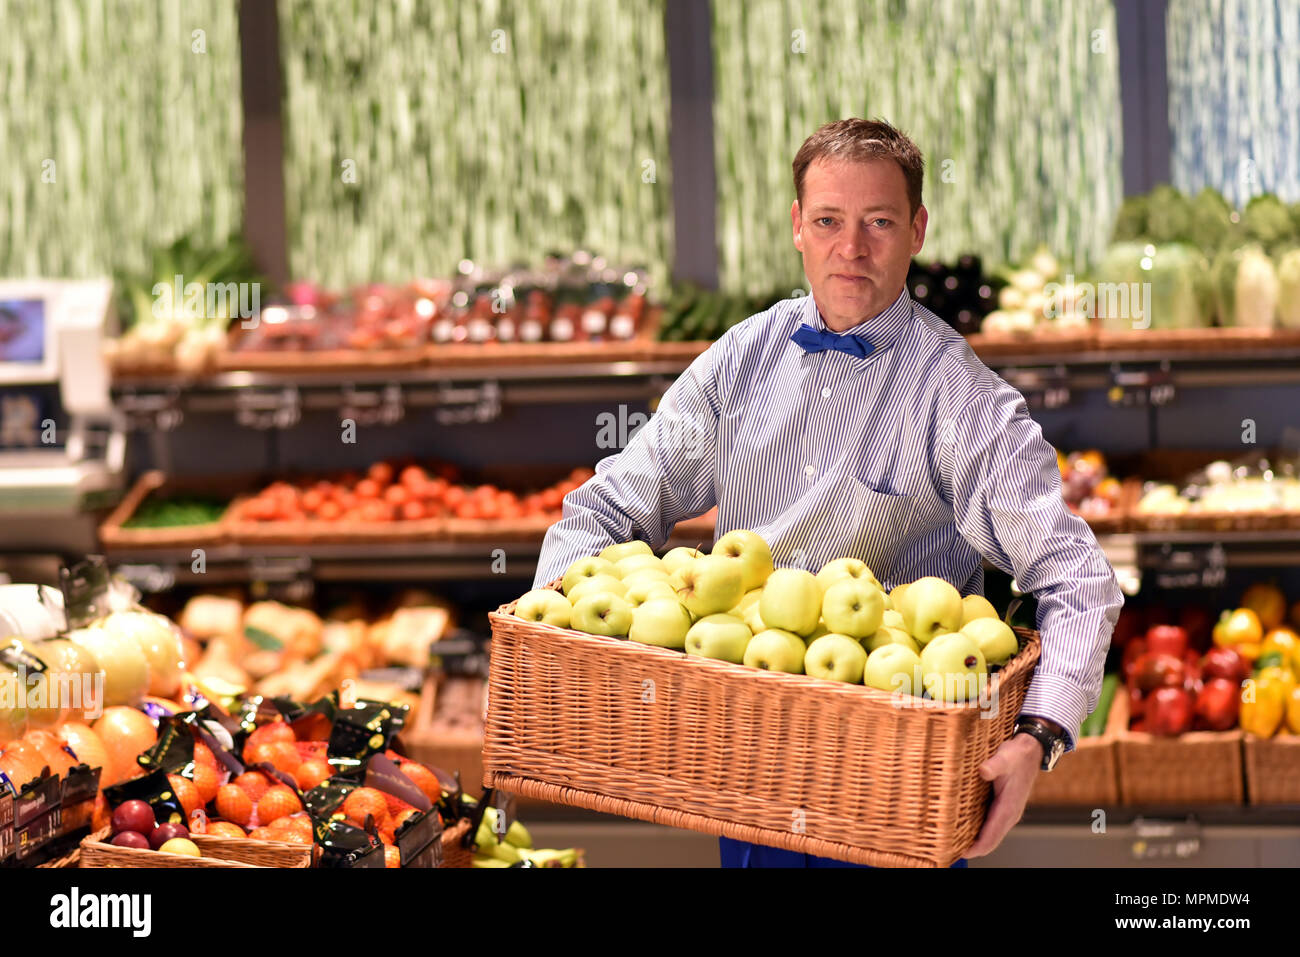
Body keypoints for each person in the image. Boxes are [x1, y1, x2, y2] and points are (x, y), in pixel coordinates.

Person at [533, 118, 1123, 867]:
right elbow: (604, 510)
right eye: (829, 221)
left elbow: (1077, 576)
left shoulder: (962, 399)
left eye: (879, 222)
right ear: (797, 228)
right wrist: (564, 643)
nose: (852, 248)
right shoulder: (736, 365)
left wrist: (1039, 736)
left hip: (899, 777)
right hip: (750, 767)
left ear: (916, 230)